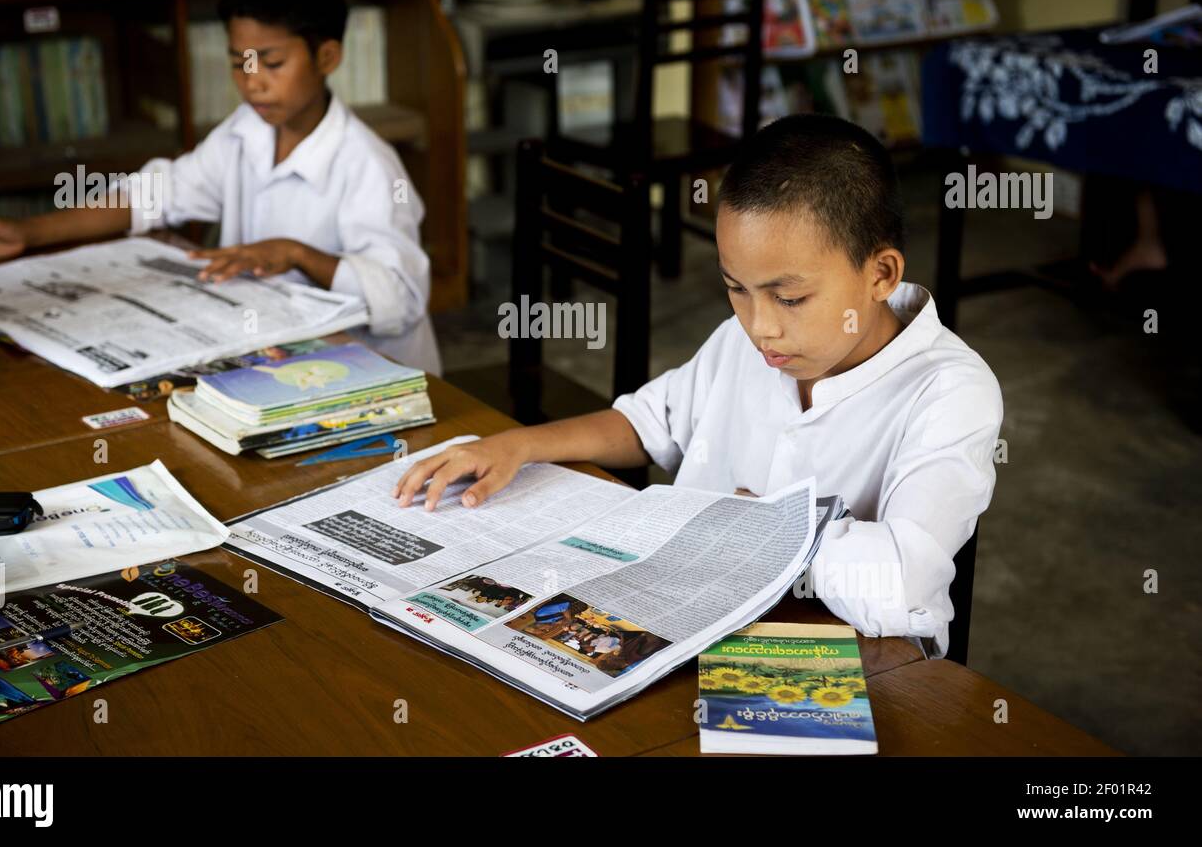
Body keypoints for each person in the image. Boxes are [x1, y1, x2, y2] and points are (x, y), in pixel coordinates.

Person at [393, 114, 1004, 658]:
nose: (760, 326)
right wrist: (518, 446)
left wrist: (769, 528)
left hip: (849, 665)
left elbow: (901, 585)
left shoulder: (950, 393)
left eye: (789, 297)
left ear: (881, 274)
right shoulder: (749, 341)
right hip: (688, 623)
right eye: (736, 287)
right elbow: (649, 423)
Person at [0, 0, 440, 374]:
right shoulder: (244, 132)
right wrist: (28, 234)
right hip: (270, 352)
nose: (252, 83)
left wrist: (295, 253)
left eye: (271, 63)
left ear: (327, 56)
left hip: (371, 373)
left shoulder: (368, 164)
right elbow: (152, 196)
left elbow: (401, 296)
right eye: (237, 63)